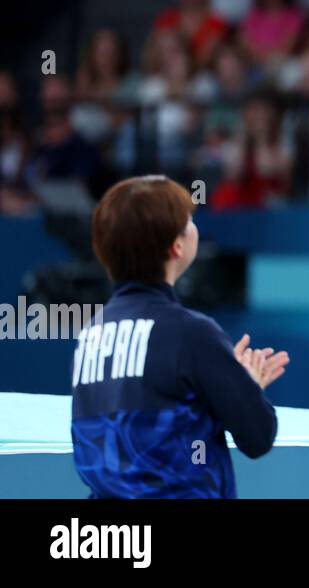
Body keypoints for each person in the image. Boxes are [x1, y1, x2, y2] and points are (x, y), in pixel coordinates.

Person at [72, 175, 288, 497]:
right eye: (188, 220)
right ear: (177, 245)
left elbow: (136, 439)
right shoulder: (193, 334)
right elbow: (258, 436)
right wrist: (247, 387)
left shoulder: (91, 335)